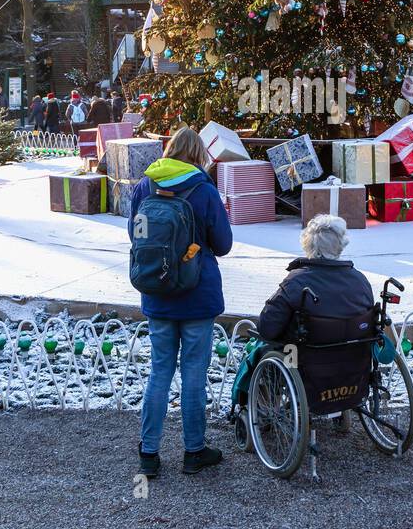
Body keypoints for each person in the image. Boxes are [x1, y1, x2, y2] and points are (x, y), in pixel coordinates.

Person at [129, 127, 233, 478]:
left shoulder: (145, 185)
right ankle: (194, 451)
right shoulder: (203, 189)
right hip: (196, 293)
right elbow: (223, 243)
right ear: (198, 154)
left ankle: (149, 454)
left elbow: (136, 234)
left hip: (156, 290)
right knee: (193, 372)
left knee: (159, 371)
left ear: (169, 150)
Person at [256, 214, 375, 343]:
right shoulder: (360, 281)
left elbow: (267, 329)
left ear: (308, 244)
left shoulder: (296, 282)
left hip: (303, 359)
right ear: (341, 245)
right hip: (355, 358)